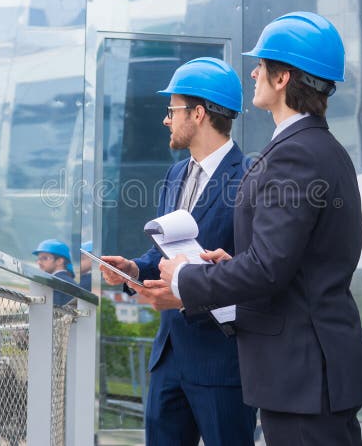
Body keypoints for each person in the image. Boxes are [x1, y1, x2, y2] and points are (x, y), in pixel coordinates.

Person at [158, 13, 362, 445]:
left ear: (283, 78)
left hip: (303, 375)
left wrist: (186, 277)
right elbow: (288, 262)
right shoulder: (317, 148)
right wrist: (232, 264)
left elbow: (269, 268)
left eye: (261, 64)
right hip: (309, 372)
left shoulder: (294, 155)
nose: (254, 72)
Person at [100, 57, 257, 446]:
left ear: (199, 113)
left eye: (172, 110)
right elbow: (166, 252)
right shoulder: (174, 175)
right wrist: (135, 269)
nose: (166, 120)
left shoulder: (252, 176)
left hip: (222, 361)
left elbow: (257, 270)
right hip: (169, 357)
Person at [32, 239, 75, 306]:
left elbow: (48, 311)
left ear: (59, 261)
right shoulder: (69, 281)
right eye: (39, 259)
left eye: (45, 258)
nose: (39, 262)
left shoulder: (55, 282)